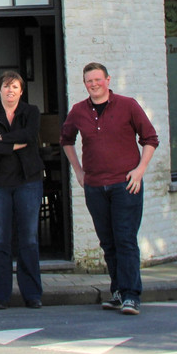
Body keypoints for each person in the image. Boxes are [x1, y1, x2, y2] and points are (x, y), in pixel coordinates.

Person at [61, 62, 158, 315]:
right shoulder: (78, 111)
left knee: (125, 240)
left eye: (97, 80)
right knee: (108, 242)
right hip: (95, 187)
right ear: (84, 84)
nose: (94, 85)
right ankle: (117, 291)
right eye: (89, 81)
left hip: (125, 185)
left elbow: (150, 139)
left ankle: (131, 295)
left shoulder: (128, 105)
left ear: (108, 80)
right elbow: (66, 140)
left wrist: (140, 170)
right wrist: (79, 171)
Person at [0, 70, 43, 309]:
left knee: (29, 239)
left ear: (21, 91)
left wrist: (1, 140)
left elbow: (30, 136)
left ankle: (33, 295)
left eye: (15, 87)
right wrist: (14, 144)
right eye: (6, 86)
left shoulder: (31, 112)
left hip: (28, 182)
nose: (10, 90)